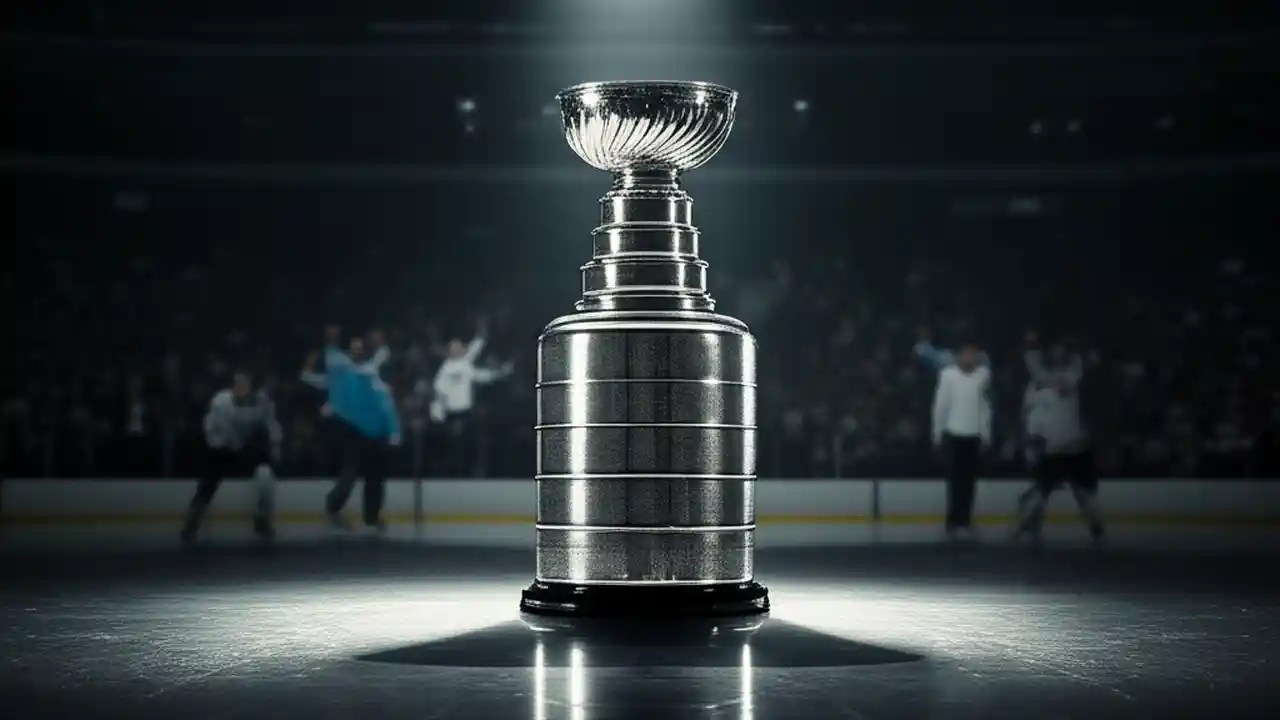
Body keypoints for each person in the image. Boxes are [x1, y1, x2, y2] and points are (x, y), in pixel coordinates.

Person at [306, 326, 401, 535]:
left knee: (375, 476)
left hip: (375, 431)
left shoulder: (369, 372)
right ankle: (334, 508)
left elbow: (385, 401)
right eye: (353, 348)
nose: (357, 351)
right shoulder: (344, 371)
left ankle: (371, 518)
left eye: (360, 348)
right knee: (351, 471)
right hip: (353, 430)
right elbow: (318, 379)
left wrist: (393, 431)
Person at [1013, 339, 1105, 542]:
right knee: (1043, 488)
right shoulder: (1036, 386)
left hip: (1073, 444)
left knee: (1082, 490)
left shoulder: (1071, 376)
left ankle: (1095, 524)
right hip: (1051, 446)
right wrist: (1030, 440)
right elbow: (1029, 415)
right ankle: (1029, 523)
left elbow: (1072, 374)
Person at [180, 370, 282, 546]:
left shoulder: (263, 402)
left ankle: (262, 521)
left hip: (246, 451)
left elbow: (272, 426)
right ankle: (191, 524)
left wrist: (275, 447)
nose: (240, 387)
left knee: (266, 477)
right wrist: (234, 447)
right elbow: (216, 432)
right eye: (237, 383)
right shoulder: (221, 402)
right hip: (221, 449)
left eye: (245, 384)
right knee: (207, 483)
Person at [426, 317, 513, 476]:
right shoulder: (446, 370)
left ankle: (471, 471)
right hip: (452, 414)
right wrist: (437, 411)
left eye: (460, 347)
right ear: (449, 351)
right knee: (454, 446)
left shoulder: (464, 363)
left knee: (472, 443)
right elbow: (437, 391)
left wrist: (499, 373)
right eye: (454, 348)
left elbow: (479, 370)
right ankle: (451, 472)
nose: (459, 350)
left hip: (466, 413)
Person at [930, 341, 992, 540]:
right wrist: (937, 432)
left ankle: (966, 519)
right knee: (955, 480)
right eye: (966, 354)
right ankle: (953, 520)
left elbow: (985, 408)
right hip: (954, 433)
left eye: (973, 354)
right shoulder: (948, 375)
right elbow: (941, 405)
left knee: (970, 481)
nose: (969, 358)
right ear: (958, 356)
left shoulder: (983, 375)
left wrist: (986, 434)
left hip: (973, 435)